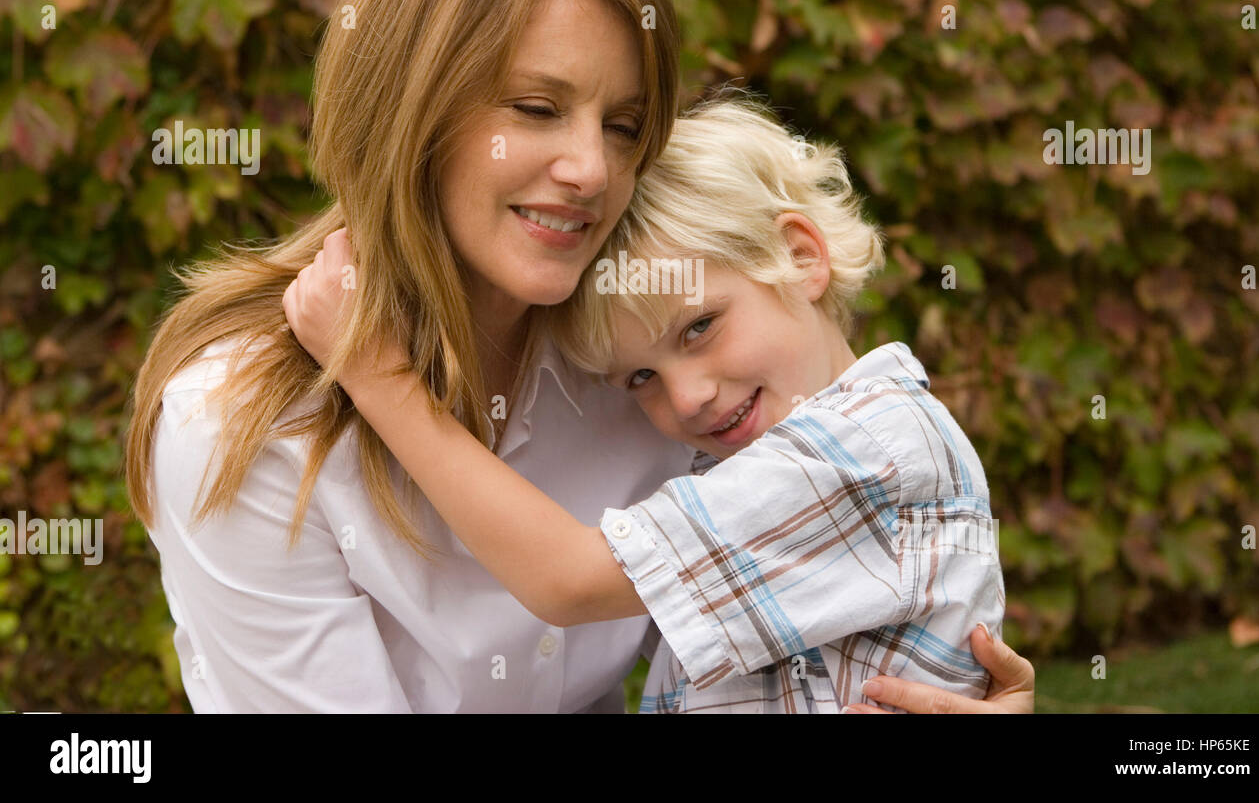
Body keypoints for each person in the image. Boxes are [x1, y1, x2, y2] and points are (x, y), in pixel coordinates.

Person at [126, 0, 1033, 713]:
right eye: (536, 109)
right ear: (412, 105)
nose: (592, 169)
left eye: (625, 122)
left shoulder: (637, 358)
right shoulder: (242, 424)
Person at [283, 96, 1006, 712]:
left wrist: (380, 378)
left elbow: (569, 580)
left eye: (700, 327)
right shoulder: (816, 444)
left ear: (799, 256)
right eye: (639, 378)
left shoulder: (862, 453)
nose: (687, 396)